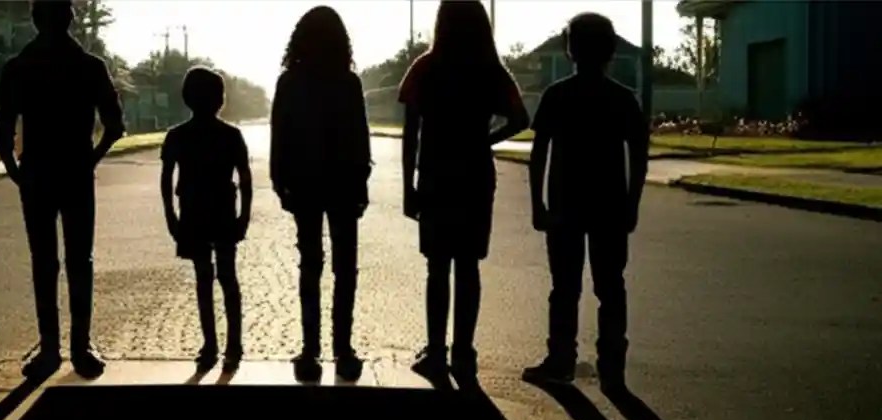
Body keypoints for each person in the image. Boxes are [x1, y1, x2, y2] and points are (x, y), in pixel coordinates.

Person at [399, 0, 529, 386]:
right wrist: (486, 139)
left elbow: (411, 135)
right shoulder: (490, 71)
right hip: (475, 174)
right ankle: (464, 351)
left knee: (437, 267)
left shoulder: (425, 68)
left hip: (437, 175)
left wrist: (409, 185)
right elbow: (520, 119)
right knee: (469, 265)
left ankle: (435, 352)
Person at [0, 0, 125, 380]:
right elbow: (115, 125)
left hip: (37, 172)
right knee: (79, 260)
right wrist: (92, 159)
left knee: (44, 262)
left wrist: (14, 170)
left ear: (36, 19)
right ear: (71, 18)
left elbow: (4, 127)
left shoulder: (19, 67)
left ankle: (50, 347)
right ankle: (80, 347)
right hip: (75, 172)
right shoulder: (89, 67)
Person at [522, 12, 649, 392]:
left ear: (570, 49)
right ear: (611, 50)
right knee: (611, 286)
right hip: (610, 206)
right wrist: (632, 203)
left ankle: (561, 358)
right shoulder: (623, 100)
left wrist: (536, 204)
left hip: (565, 206)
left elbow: (538, 154)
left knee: (564, 287)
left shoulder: (557, 96)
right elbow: (640, 157)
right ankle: (612, 364)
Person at [270, 5, 372, 383]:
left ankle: (310, 349)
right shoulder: (348, 82)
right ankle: (343, 349)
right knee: (345, 268)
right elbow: (360, 138)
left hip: (305, 181)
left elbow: (279, 133)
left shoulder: (290, 81)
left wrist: (279, 181)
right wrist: (362, 182)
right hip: (343, 182)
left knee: (309, 265)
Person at [160, 67, 252, 373]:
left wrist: (171, 217)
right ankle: (233, 345)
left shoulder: (176, 136)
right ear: (220, 99)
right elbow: (246, 178)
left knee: (204, 278)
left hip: (193, 213)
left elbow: (166, 179)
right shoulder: (231, 135)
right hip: (224, 212)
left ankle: (210, 344)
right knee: (228, 277)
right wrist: (244, 216)